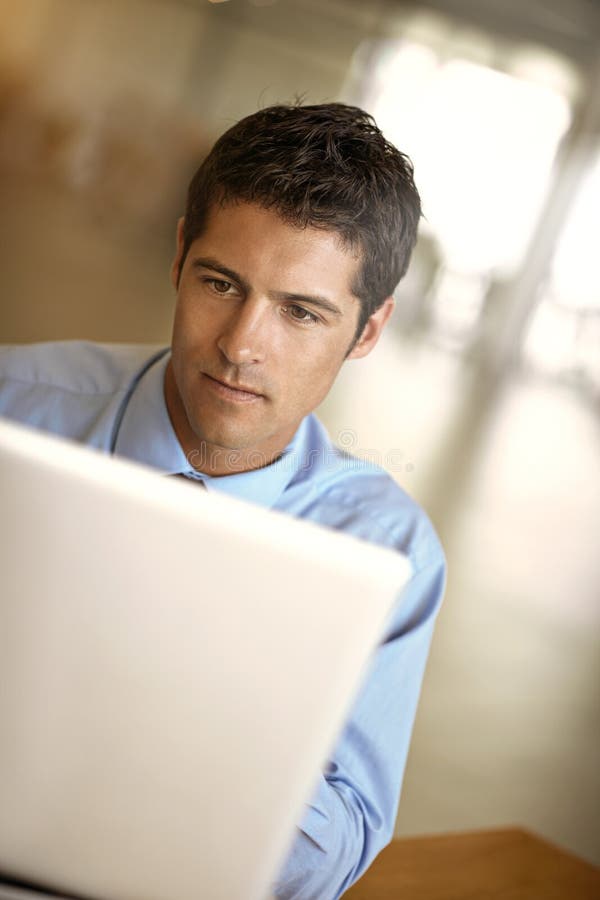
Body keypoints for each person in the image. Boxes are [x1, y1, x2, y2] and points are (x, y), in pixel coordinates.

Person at [0, 103, 445, 899]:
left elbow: (335, 850)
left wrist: (201, 720)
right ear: (178, 257)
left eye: (301, 312)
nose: (242, 344)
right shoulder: (11, 404)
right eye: (221, 283)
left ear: (367, 332)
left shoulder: (387, 550)